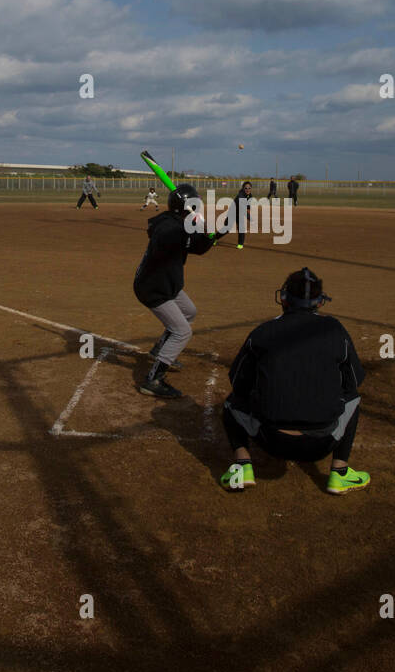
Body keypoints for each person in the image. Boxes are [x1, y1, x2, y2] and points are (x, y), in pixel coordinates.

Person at [220, 268, 369, 495]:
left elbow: (239, 383)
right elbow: (353, 381)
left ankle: (242, 466)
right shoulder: (335, 329)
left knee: (232, 402)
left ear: (283, 299)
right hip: (322, 443)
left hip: (271, 440)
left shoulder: (263, 332)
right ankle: (340, 473)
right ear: (319, 303)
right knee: (353, 399)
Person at [133, 182, 222, 398]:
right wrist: (202, 233)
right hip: (153, 288)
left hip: (166, 283)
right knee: (182, 331)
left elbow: (197, 244)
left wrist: (211, 235)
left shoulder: (174, 222)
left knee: (189, 312)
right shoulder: (171, 229)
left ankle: (158, 349)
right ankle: (153, 379)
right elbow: (188, 242)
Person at [233, 180, 254, 249]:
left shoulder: (250, 196)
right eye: (246, 188)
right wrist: (249, 217)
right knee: (226, 228)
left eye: (249, 188)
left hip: (240, 214)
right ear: (243, 188)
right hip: (233, 212)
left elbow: (247, 207)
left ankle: (240, 244)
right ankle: (215, 238)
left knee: (241, 228)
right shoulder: (240, 196)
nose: (248, 189)